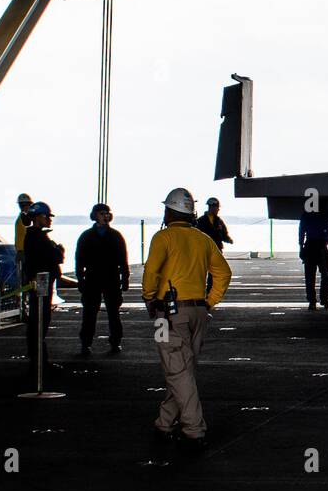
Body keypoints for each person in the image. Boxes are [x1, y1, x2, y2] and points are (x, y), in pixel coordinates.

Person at [142, 187, 232, 451]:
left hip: (165, 315)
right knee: (183, 368)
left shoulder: (163, 237)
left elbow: (151, 275)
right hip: (198, 313)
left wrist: (149, 298)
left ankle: (194, 429)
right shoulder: (204, 240)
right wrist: (209, 302)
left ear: (169, 211)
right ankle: (164, 422)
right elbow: (223, 273)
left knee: (176, 369)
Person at [74, 202, 129, 356]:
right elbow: (79, 259)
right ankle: (86, 343)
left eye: (107, 213)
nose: (105, 216)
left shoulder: (116, 236)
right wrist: (80, 279)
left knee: (114, 313)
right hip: (92, 279)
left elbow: (123, 259)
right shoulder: (86, 236)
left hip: (111, 278)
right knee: (89, 314)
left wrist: (125, 279)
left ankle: (115, 342)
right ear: (94, 216)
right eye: (101, 213)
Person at [22, 202, 65, 375]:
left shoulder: (35, 237)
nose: (49, 220)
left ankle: (39, 360)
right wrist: (58, 250)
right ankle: (38, 362)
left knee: (39, 322)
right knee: (39, 322)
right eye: (46, 216)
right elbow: (52, 258)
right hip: (41, 285)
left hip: (42, 284)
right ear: (38, 217)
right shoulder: (37, 238)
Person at [299, 198, 328, 310]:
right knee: (326, 275)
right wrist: (326, 241)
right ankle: (324, 300)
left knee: (310, 277)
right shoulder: (325, 214)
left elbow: (301, 231)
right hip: (320, 247)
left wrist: (301, 247)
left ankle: (313, 302)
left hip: (310, 246)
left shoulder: (307, 214)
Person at [13, 192, 34, 296]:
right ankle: (25, 301)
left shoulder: (21, 217)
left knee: (23, 280)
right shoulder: (25, 218)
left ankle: (23, 301)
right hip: (24, 253)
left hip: (21, 252)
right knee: (25, 279)